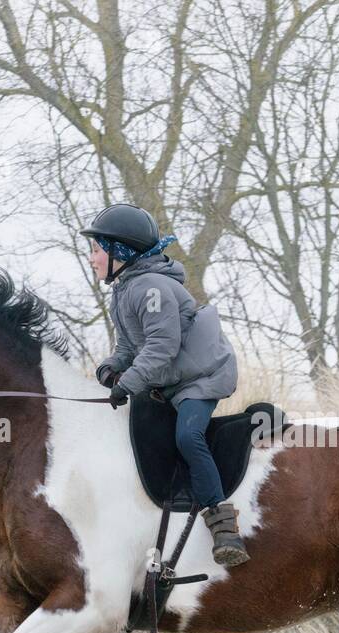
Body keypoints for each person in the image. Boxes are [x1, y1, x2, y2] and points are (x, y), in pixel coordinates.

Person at [82, 203, 250, 566]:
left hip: (200, 380)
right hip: (171, 380)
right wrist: (110, 369)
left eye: (96, 250)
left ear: (120, 252)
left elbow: (162, 346)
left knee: (188, 437)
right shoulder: (125, 290)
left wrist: (128, 382)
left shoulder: (151, 287)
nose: (92, 259)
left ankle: (224, 526)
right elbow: (129, 347)